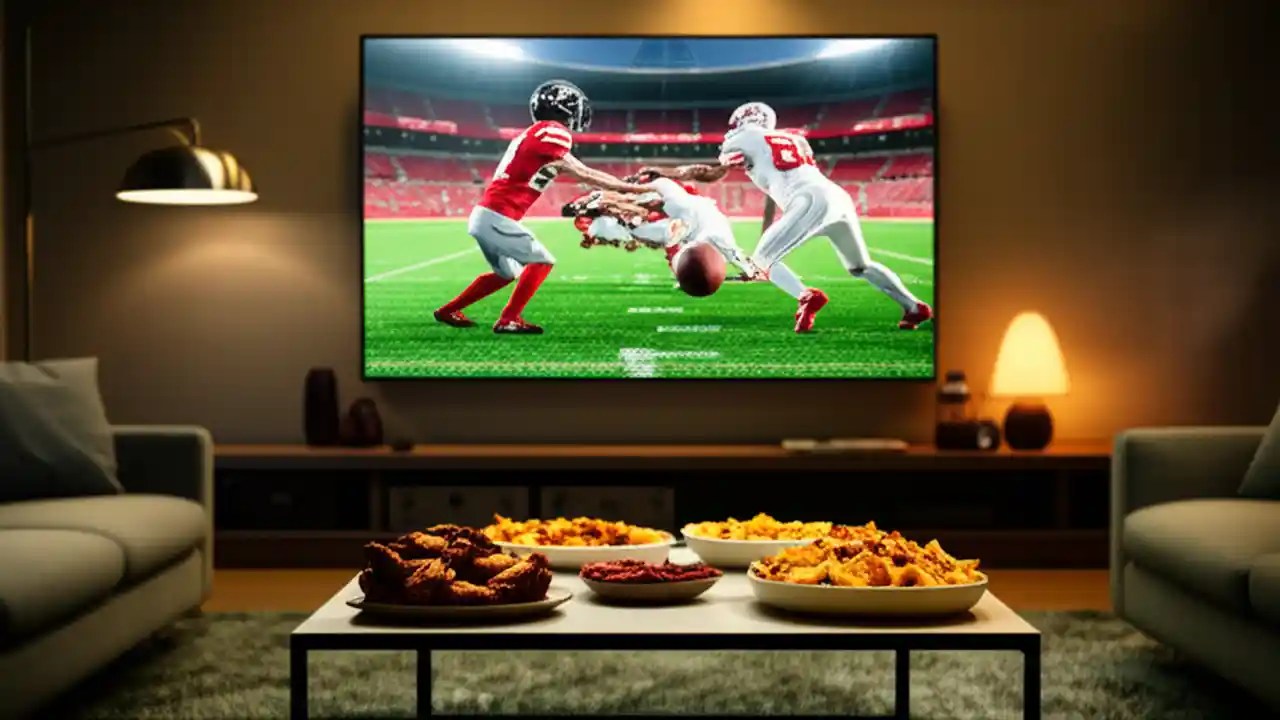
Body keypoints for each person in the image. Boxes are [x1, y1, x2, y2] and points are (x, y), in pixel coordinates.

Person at [640, 102, 933, 332]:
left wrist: (666, 173)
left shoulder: (740, 139)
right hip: (835, 196)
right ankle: (913, 306)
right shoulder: (794, 139)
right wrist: (768, 229)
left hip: (809, 200)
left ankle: (806, 296)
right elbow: (775, 189)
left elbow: (710, 172)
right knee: (860, 266)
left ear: (742, 120)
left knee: (762, 263)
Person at [433, 80, 650, 334]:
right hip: (497, 215)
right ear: (563, 109)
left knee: (505, 273)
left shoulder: (534, 135)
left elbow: (575, 168)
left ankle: (448, 310)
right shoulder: (553, 131)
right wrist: (634, 189)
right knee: (542, 261)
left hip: (487, 214)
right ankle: (509, 319)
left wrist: (621, 188)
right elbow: (584, 173)